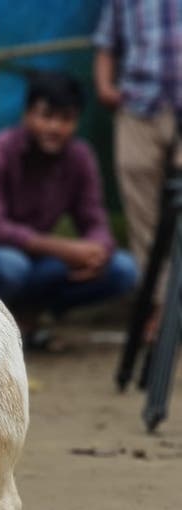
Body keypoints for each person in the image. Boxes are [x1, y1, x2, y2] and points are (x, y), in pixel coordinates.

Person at [0, 71, 138, 349]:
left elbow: (95, 220)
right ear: (27, 115)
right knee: (9, 264)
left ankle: (27, 320)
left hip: (34, 265)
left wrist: (98, 251)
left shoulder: (80, 157)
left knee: (123, 269)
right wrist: (67, 250)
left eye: (66, 119)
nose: (55, 127)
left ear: (76, 121)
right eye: (47, 116)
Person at [93, 0, 182, 341]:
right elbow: (106, 42)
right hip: (139, 106)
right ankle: (160, 310)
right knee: (143, 215)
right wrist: (104, 86)